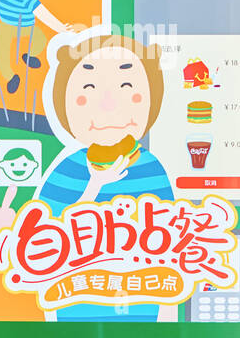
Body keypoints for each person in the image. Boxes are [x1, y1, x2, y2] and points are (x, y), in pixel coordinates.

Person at [38, 31, 176, 321]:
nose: (108, 105)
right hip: (76, 307)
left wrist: (166, 316)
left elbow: (170, 250)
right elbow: (48, 236)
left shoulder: (150, 168)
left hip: (141, 308)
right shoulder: (70, 169)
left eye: (127, 86)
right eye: (88, 89)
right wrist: (94, 185)